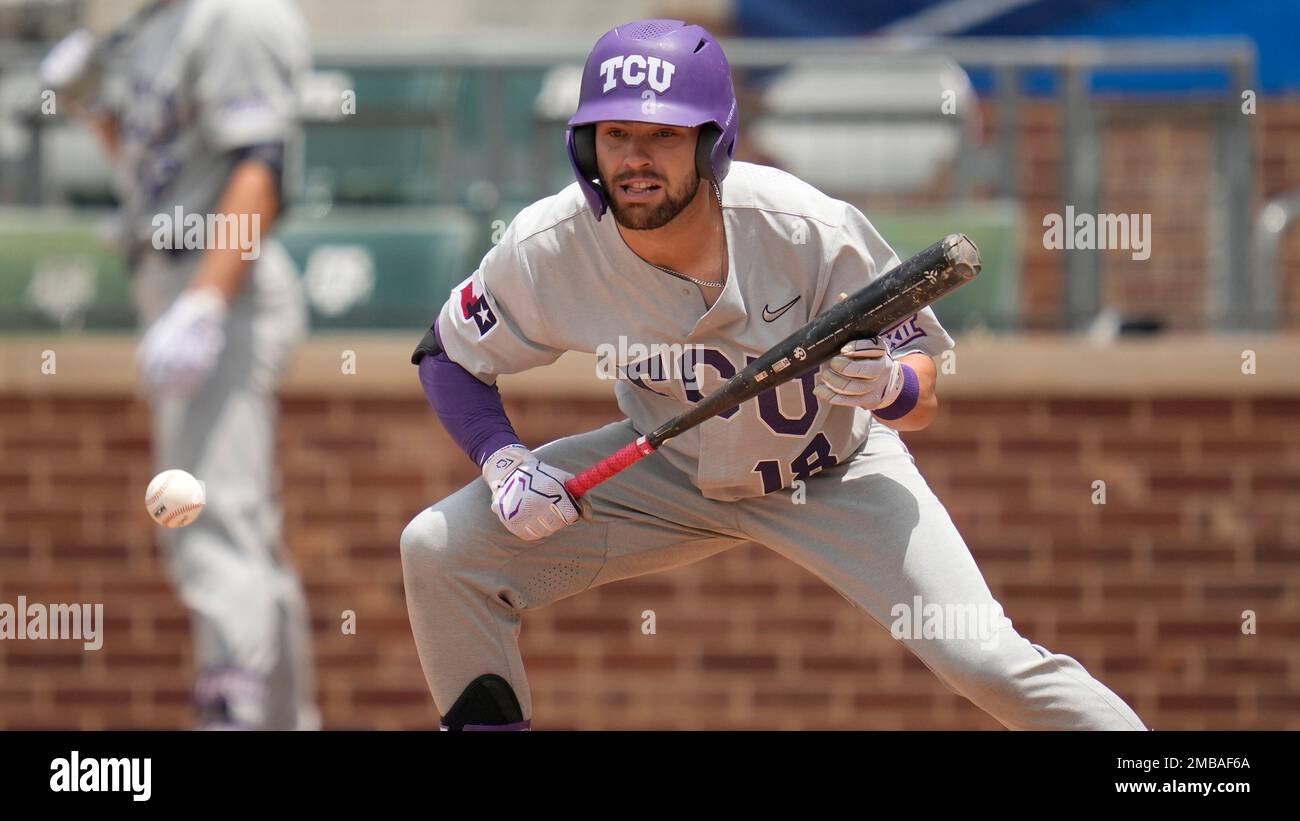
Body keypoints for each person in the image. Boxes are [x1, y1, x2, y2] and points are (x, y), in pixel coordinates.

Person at [401, 19, 1146, 731]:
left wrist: (893, 388)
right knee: (440, 550)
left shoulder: (805, 227)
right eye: (617, 132)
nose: (635, 157)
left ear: (712, 142)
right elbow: (448, 352)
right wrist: (504, 463)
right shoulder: (550, 245)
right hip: (668, 470)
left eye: (664, 134)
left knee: (985, 661)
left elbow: (922, 388)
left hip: (833, 472)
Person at [43, 0, 320, 730]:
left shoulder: (235, 16)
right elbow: (157, 173)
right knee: (243, 528)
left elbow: (261, 168)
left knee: (204, 510)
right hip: (179, 283)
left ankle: (235, 704)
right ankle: (284, 716)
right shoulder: (155, 25)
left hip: (225, 288)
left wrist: (205, 301)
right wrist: (92, 104)